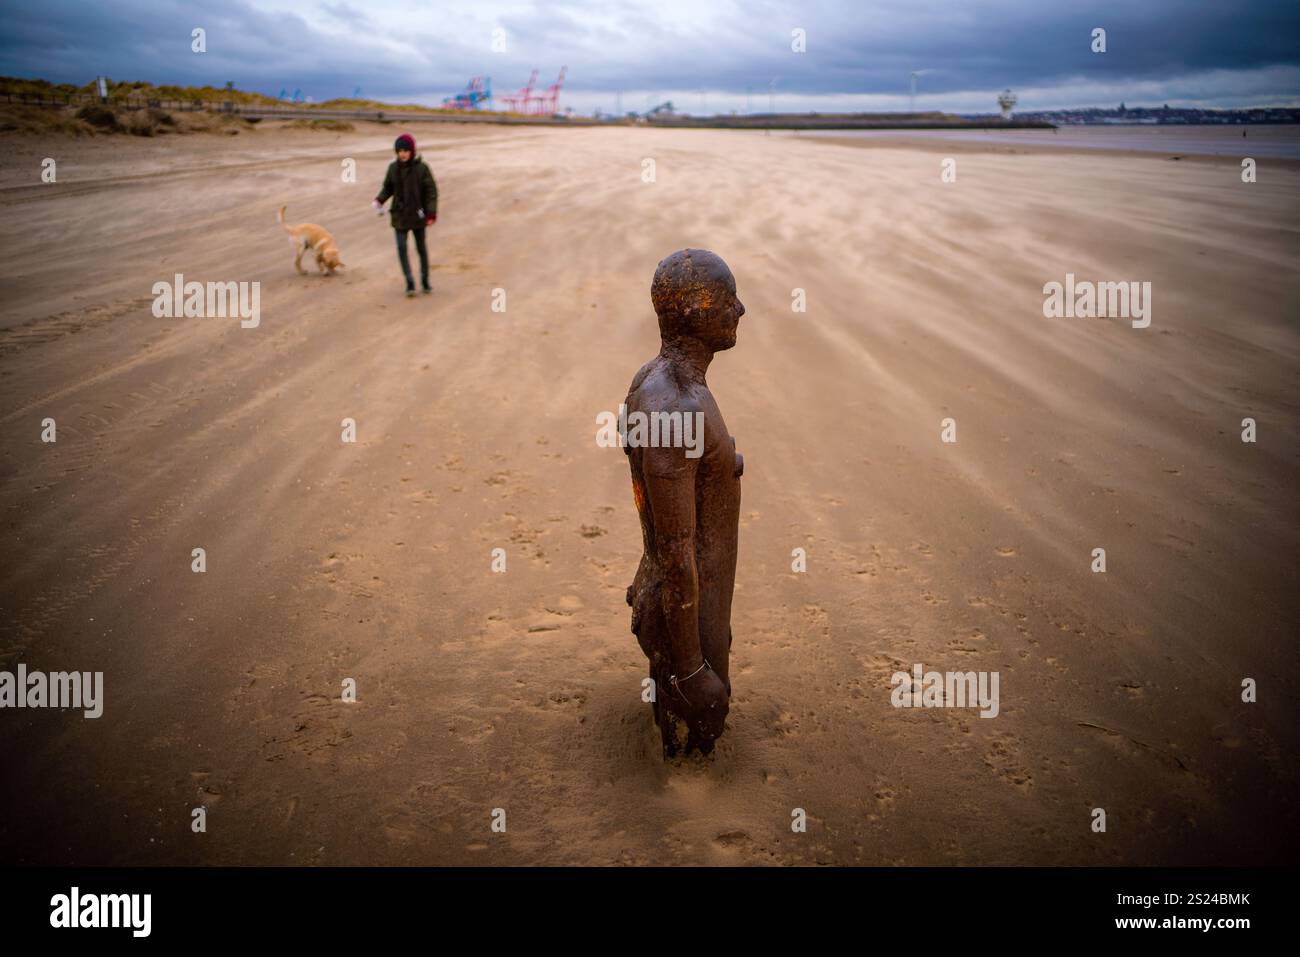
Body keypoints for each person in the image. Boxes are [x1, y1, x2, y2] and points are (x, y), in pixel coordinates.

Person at [624, 249, 745, 758]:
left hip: (681, 603)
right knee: (699, 725)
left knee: (680, 713)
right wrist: (694, 669)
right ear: (697, 311)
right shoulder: (675, 407)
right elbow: (677, 554)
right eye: (728, 299)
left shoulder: (656, 381)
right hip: (689, 622)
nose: (741, 309)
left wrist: (726, 462)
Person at [373, 133, 437, 297]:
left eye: (405, 150)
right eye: (399, 150)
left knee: (421, 248)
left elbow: (431, 192)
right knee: (402, 248)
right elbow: (388, 188)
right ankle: (409, 282)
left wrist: (431, 213)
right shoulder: (393, 168)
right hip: (399, 215)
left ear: (412, 151)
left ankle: (425, 281)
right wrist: (380, 200)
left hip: (418, 215)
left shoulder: (422, 168)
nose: (402, 153)